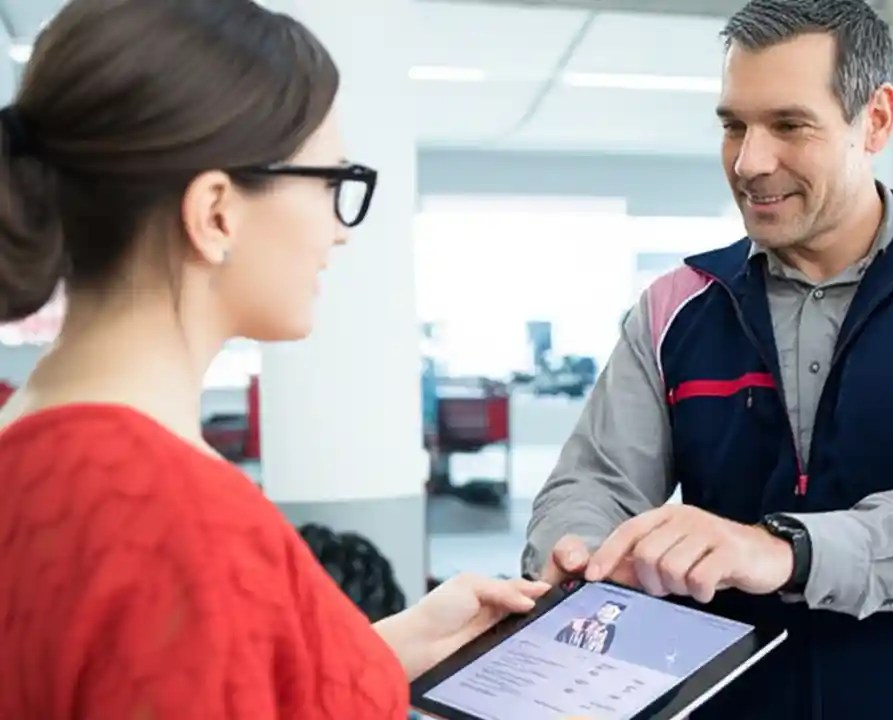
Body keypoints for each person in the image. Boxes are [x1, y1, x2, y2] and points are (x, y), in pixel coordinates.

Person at [0, 1, 546, 718]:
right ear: (218, 212)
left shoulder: (36, 442)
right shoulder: (179, 524)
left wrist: (395, 645)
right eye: (331, 183)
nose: (339, 232)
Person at [523, 1, 893, 718]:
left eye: (788, 125)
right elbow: (594, 479)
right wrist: (578, 553)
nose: (749, 161)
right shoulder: (675, 307)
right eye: (733, 125)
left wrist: (786, 550)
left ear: (874, 121)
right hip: (730, 698)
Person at [554, 600, 626, 654]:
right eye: (605, 609)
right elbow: (559, 641)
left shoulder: (608, 632)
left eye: (612, 612)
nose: (606, 613)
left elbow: (602, 651)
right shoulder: (577, 624)